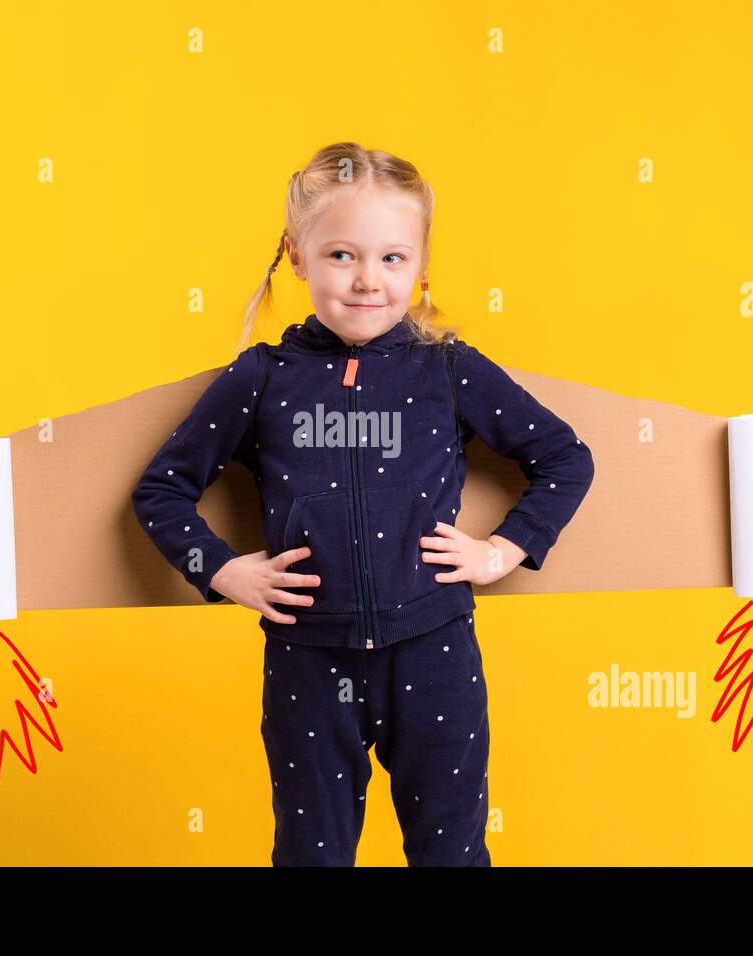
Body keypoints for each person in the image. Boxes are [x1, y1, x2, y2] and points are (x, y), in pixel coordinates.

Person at [132, 141, 595, 865]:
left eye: (392, 259)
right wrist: (220, 571)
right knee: (312, 856)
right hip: (307, 663)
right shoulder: (262, 377)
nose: (367, 282)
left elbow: (564, 457)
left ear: (420, 263)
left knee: (451, 854)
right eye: (341, 255)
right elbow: (161, 490)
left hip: (434, 651)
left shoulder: (447, 366)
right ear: (296, 254)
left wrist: (503, 549)